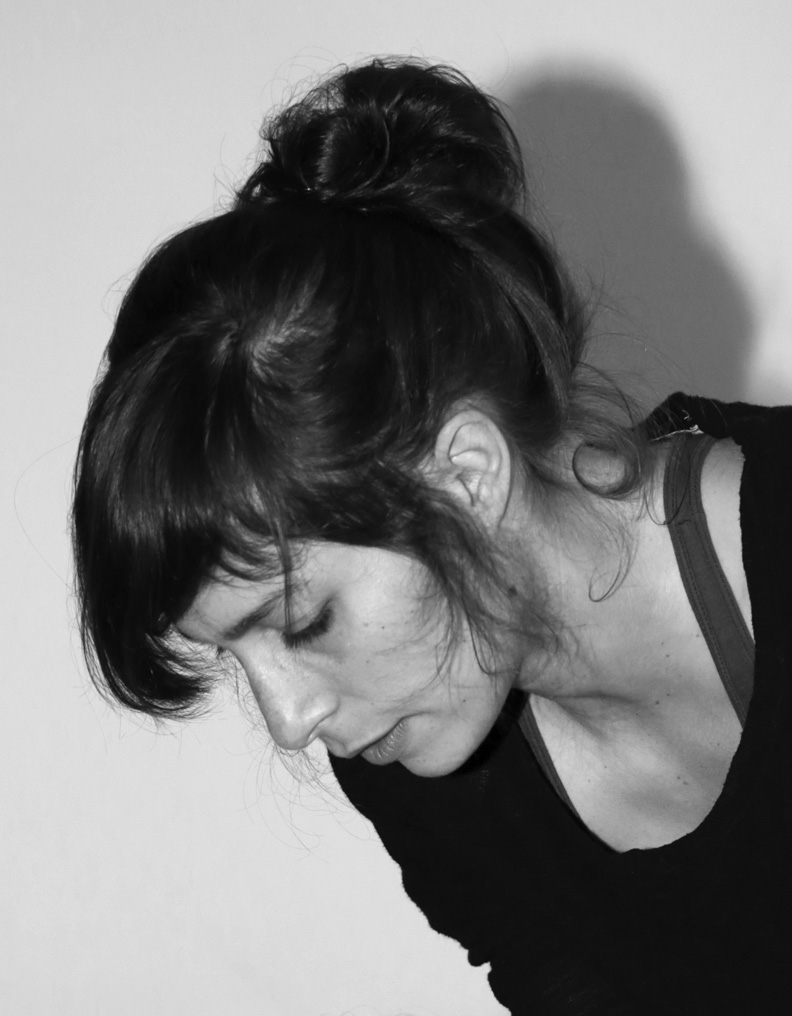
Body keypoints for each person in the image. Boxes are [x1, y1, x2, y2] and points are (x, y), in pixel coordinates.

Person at [72, 58, 792, 1015]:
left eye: (306, 620)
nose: (291, 720)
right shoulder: (429, 770)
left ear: (467, 476)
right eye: (233, 654)